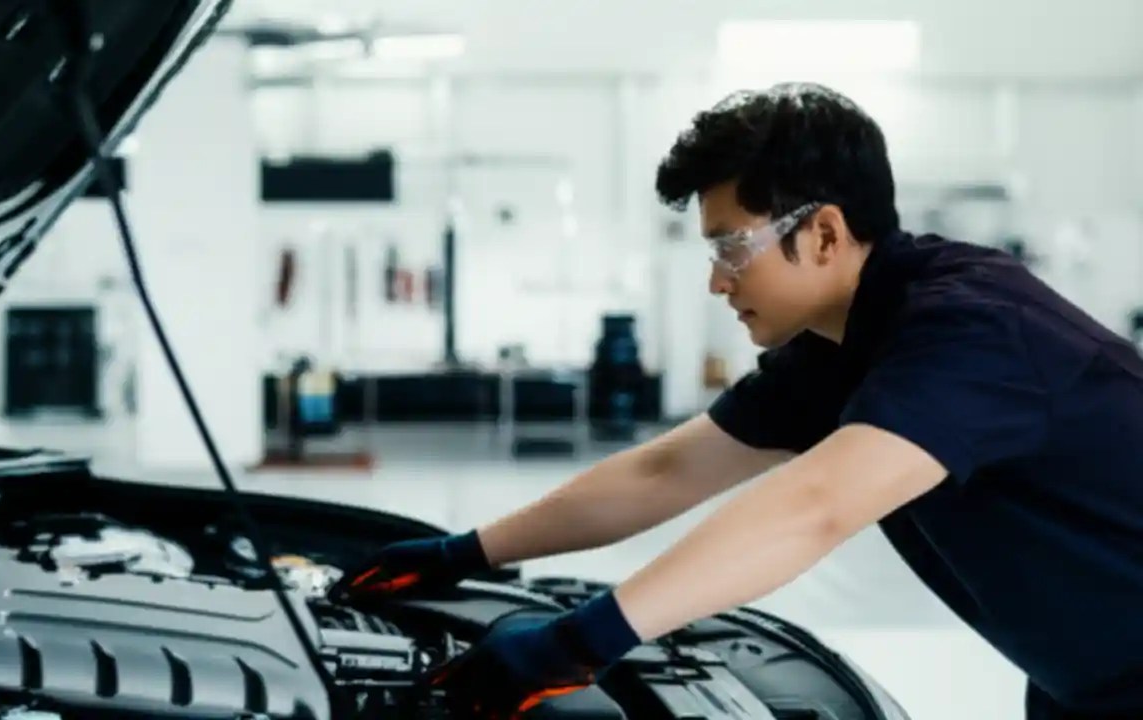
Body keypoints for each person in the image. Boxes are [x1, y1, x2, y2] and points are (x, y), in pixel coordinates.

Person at [329, 82, 1143, 720]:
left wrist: (579, 643)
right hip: (1081, 682)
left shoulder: (973, 328)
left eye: (731, 247)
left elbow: (817, 506)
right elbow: (665, 472)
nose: (717, 282)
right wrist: (461, 553)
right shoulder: (839, 345)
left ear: (824, 234)